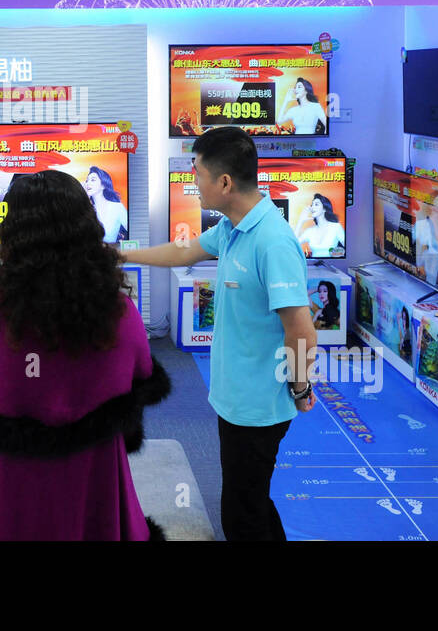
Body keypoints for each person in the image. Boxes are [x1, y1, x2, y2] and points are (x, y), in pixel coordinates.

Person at [0, 170, 170, 541]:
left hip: (11, 479)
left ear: (12, 232)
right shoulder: (118, 311)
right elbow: (139, 373)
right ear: (86, 226)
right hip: (94, 472)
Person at [120, 126, 316, 542]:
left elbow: (300, 329)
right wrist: (118, 253)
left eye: (197, 176)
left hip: (258, 405)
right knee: (252, 499)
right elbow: (182, 251)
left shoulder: (272, 241)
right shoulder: (233, 226)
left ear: (224, 182)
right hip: (234, 397)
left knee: (241, 515)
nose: (194, 186)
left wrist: (300, 389)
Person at [83, 164, 128, 243]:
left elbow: (132, 231)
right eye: (87, 180)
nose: (88, 183)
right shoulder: (85, 209)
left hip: (110, 252)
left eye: (93, 180)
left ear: (103, 185)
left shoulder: (117, 207)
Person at [295, 193, 345, 258]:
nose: (312, 207)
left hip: (331, 266)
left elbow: (349, 250)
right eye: (312, 205)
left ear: (324, 209)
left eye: (316, 204)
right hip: (311, 266)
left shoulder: (336, 227)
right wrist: (300, 221)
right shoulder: (310, 231)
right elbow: (293, 245)